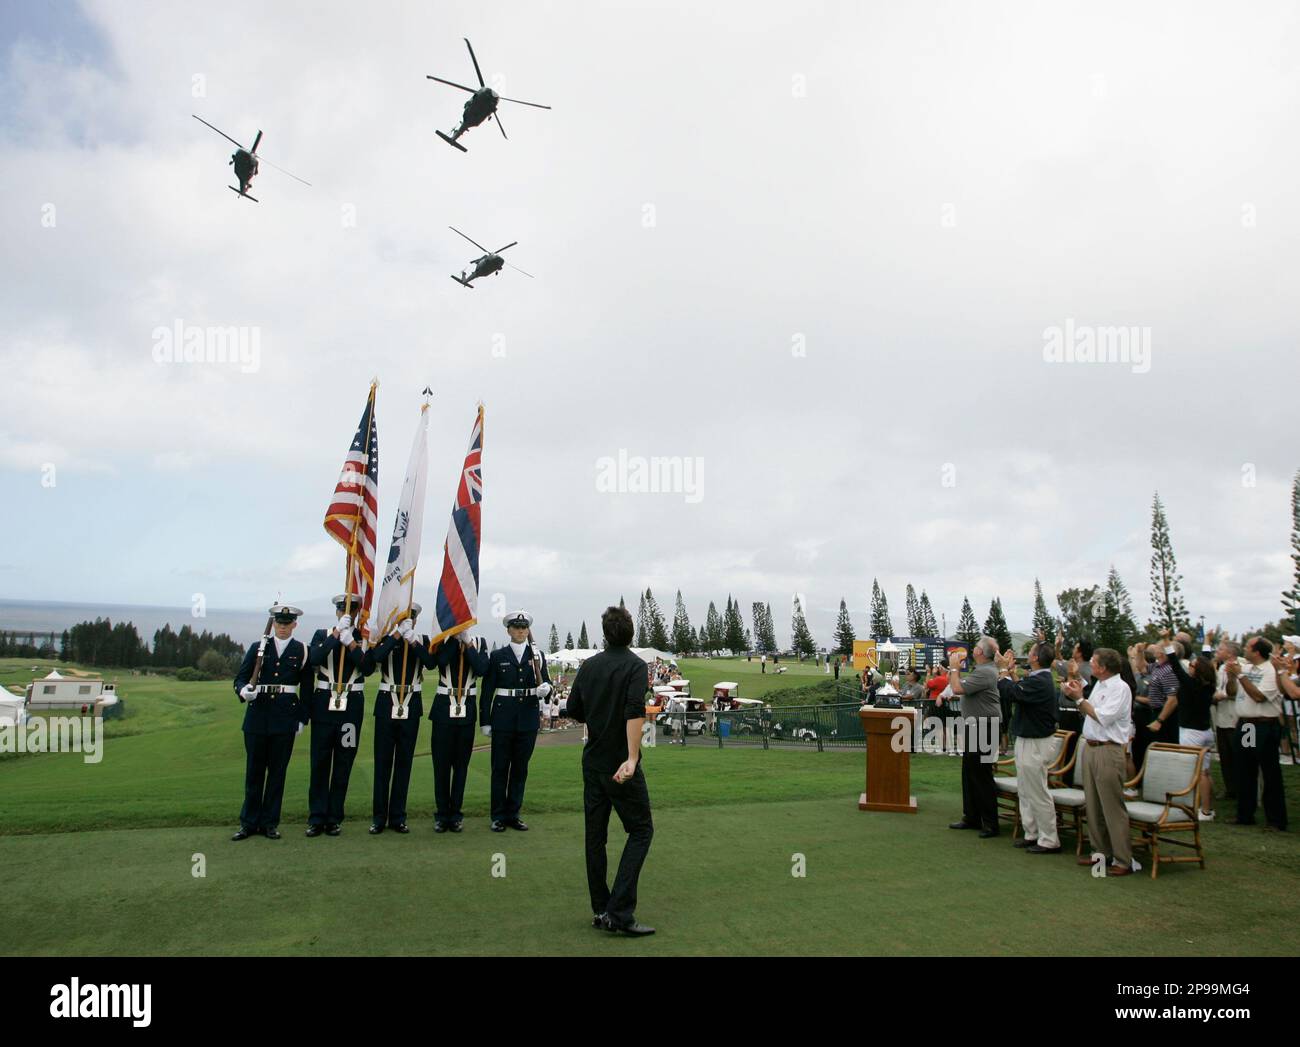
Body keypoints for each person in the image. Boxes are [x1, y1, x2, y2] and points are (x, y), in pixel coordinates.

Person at [565, 605, 655, 937]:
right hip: (620, 764)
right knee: (642, 830)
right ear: (630, 632)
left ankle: (601, 908)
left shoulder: (589, 666)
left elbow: (573, 708)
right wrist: (631, 758)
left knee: (595, 837)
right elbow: (635, 710)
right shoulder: (635, 666)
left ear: (605, 633)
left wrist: (599, 716)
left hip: (593, 763)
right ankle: (618, 911)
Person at [231, 604, 312, 841]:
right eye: (279, 623)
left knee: (277, 774)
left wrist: (302, 718)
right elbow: (240, 678)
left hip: (285, 718)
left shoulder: (302, 651)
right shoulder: (258, 648)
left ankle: (269, 823)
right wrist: (243, 690)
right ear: (274, 624)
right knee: (254, 774)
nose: (283, 627)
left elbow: (307, 689)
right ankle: (248, 823)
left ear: (294, 625)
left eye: (287, 624)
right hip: (257, 717)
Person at [362, 603, 438, 835]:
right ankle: (378, 817)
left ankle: (398, 816)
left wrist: (412, 639)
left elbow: (431, 663)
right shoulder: (385, 638)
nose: (408, 622)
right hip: (387, 702)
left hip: (411, 704)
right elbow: (373, 659)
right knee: (383, 763)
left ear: (415, 620)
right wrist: (396, 635)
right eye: (404, 619)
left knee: (404, 764)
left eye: (411, 619)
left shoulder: (422, 639)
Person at [1063, 648, 1135, 876]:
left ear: (1103, 667)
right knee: (1093, 804)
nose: (1090, 665)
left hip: (1108, 750)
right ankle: (1100, 853)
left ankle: (1123, 860)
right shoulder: (1100, 686)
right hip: (1091, 747)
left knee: (1112, 806)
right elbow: (1089, 712)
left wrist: (1079, 699)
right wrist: (1079, 696)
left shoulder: (1120, 688)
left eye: (1094, 662)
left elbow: (1102, 717)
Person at [481, 611, 552, 832]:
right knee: (500, 769)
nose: (520, 631)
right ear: (509, 630)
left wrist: (546, 689)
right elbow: (487, 691)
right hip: (503, 718)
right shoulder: (498, 656)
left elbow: (547, 685)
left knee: (520, 769)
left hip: (527, 718)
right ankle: (498, 816)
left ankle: (514, 813)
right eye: (516, 627)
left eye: (524, 628)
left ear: (528, 630)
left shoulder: (537, 657)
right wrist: (485, 721)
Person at [306, 593, 370, 837]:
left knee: (343, 762)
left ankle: (334, 818)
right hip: (324, 705)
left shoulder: (363, 638)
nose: (347, 613)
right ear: (337, 611)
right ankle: (316, 817)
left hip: (351, 708)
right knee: (320, 762)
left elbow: (367, 667)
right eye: (343, 609)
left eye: (352, 610)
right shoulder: (322, 634)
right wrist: (336, 636)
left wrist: (350, 643)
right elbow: (314, 658)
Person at [996, 641, 1061, 853]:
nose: (1028, 654)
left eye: (1031, 651)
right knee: (1025, 789)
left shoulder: (1042, 680)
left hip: (1036, 741)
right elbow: (1020, 690)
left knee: (1037, 791)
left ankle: (1049, 839)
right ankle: (1032, 832)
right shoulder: (1037, 679)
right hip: (1027, 738)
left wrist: (1004, 669)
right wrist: (1011, 673)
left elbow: (1012, 693)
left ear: (1035, 658)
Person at [1225, 636, 1287, 831]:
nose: (1244, 649)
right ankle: (1245, 814)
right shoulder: (1246, 668)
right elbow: (1232, 692)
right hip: (1247, 725)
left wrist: (1241, 677)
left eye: (1248, 647)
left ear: (1257, 651)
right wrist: (1233, 678)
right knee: (1245, 769)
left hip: (1264, 725)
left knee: (1269, 772)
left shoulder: (1270, 671)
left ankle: (1275, 819)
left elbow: (1259, 697)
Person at [431, 632, 490, 832]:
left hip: (467, 710)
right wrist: (454, 640)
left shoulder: (479, 641)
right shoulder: (442, 640)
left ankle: (455, 814)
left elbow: (482, 669)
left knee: (461, 767)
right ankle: (441, 815)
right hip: (443, 710)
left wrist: (467, 642)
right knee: (441, 766)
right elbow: (440, 661)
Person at [946, 635, 1001, 838]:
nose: (973, 649)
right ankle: (972, 816)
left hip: (985, 727)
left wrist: (954, 668)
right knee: (970, 772)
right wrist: (954, 673)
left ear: (979, 652)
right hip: (976, 725)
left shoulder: (986, 672)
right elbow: (960, 687)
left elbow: (958, 688)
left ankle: (990, 823)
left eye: (976, 646)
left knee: (981, 775)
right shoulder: (982, 671)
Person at [1162, 638, 1216, 819]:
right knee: (1206, 772)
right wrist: (1207, 643)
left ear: (1196, 670)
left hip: (1191, 733)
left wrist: (1166, 641)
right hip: (1206, 731)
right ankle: (1207, 806)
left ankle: (1204, 809)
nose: (1190, 667)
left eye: (1192, 665)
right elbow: (1206, 661)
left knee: (1199, 772)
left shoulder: (1190, 684)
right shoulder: (1209, 684)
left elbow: (1175, 665)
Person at [1211, 638, 1241, 803]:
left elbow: (1236, 691)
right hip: (1221, 718)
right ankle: (1230, 788)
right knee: (1225, 757)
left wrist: (1224, 695)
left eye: (1220, 649)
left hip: (1237, 719)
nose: (1217, 652)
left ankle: (1244, 788)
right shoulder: (1221, 667)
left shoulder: (1241, 666)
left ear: (1229, 652)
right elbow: (1218, 688)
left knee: (1241, 755)